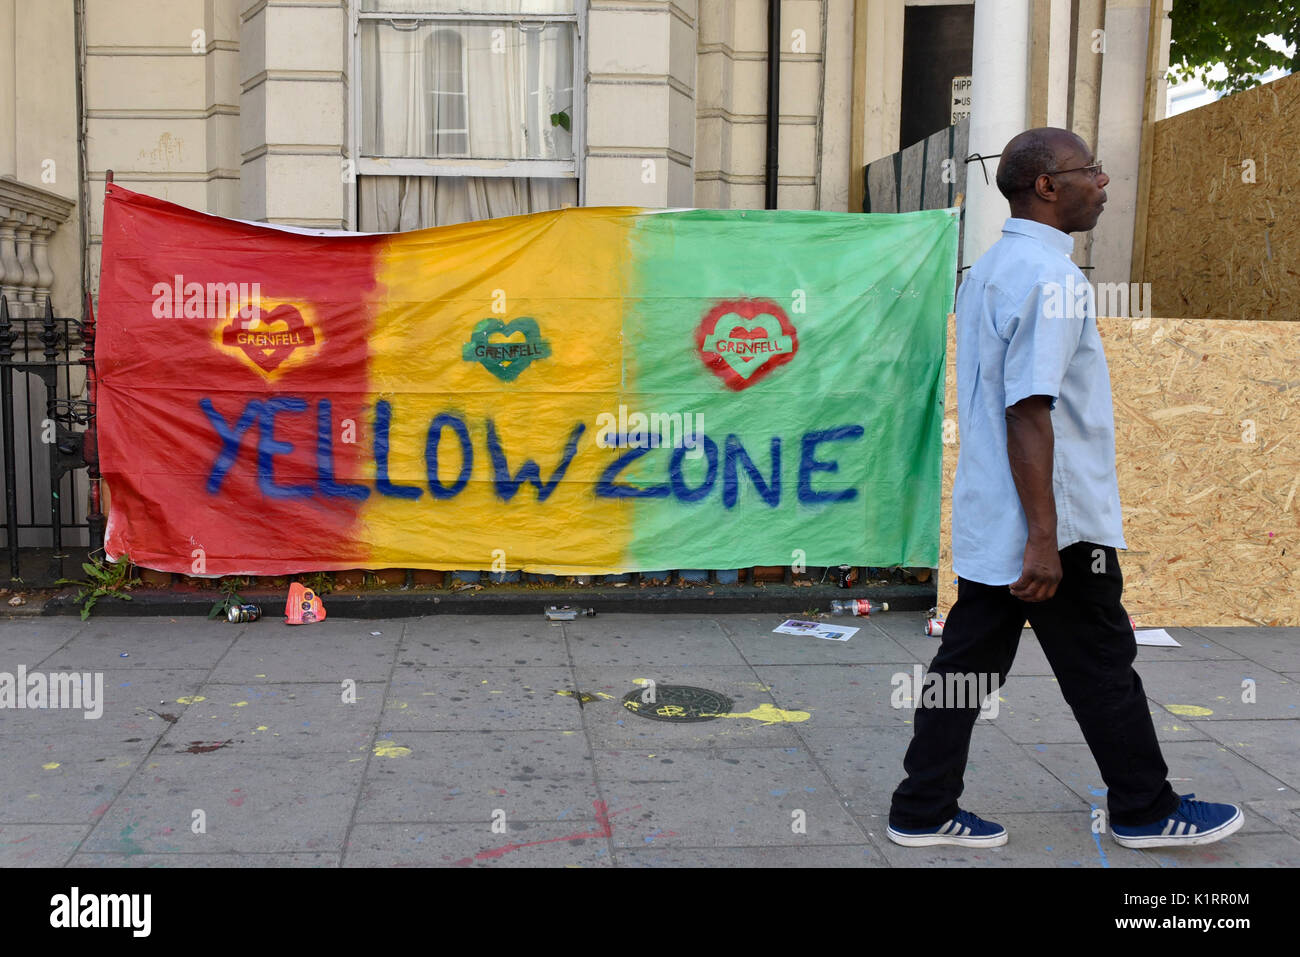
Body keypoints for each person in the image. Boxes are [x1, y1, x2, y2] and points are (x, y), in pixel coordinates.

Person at [887, 127, 1243, 850]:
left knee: (966, 668)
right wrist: (1046, 539)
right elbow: (1028, 409)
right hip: (1055, 527)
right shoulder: (1052, 281)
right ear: (1046, 186)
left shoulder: (991, 269)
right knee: (1102, 663)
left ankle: (921, 807)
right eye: (1090, 170)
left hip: (1000, 518)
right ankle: (1145, 808)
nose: (1104, 183)